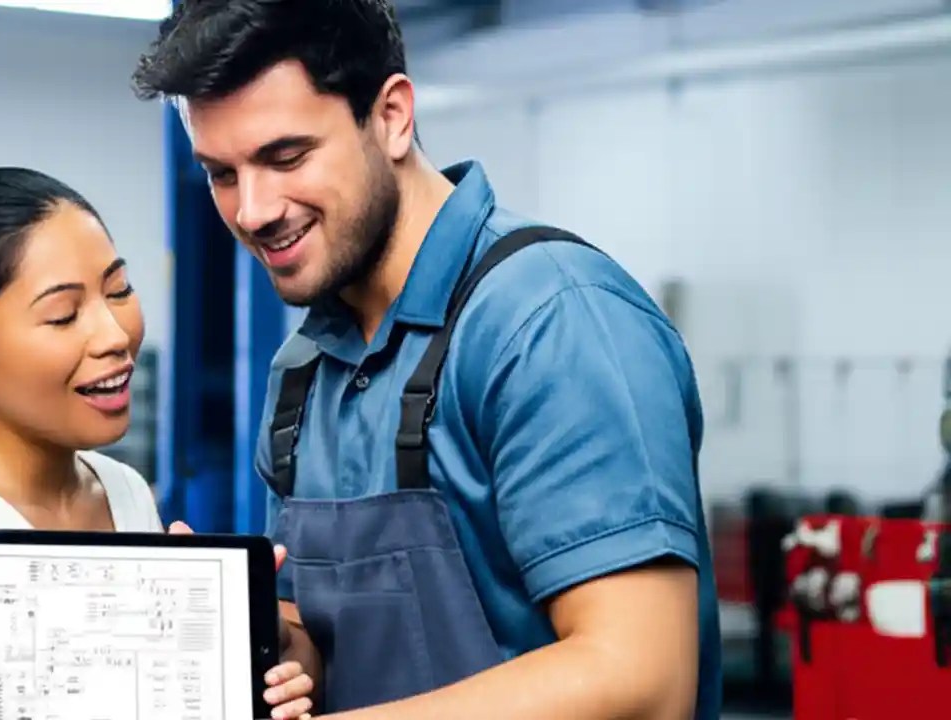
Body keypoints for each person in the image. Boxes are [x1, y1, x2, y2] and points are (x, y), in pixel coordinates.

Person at [131, 2, 722, 719]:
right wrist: (263, 644)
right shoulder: (302, 370)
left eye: (286, 157)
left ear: (392, 117)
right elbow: (321, 635)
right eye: (222, 173)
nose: (253, 210)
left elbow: (641, 678)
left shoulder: (550, 321)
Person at [0, 167, 314, 720]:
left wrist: (246, 648)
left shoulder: (123, 491)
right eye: (62, 315)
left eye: (119, 290)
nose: (112, 335)